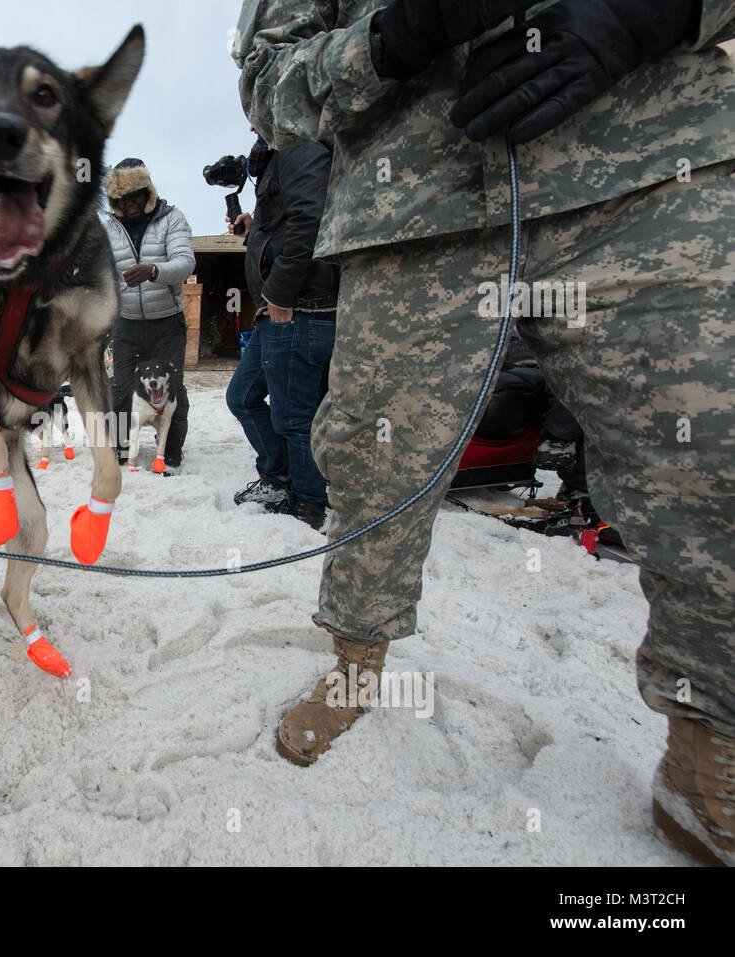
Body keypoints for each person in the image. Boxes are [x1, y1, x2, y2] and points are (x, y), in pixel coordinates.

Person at [235, 0, 735, 865]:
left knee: (711, 458)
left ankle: (711, 737)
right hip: (417, 205)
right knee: (371, 460)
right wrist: (395, 34)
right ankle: (357, 659)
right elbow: (271, 82)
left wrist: (650, 14)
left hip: (648, 167)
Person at [225, 134, 339, 530]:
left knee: (294, 416)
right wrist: (255, 227)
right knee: (242, 397)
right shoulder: (276, 156)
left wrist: (281, 289)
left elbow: (311, 220)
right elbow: (289, 220)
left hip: (299, 307)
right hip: (274, 312)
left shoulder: (299, 145)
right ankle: (278, 478)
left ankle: (311, 504)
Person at [102, 159, 196, 473]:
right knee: (121, 388)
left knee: (172, 388)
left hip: (167, 322)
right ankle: (120, 448)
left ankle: (170, 453)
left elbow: (185, 263)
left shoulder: (172, 219)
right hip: (126, 323)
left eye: (135, 196)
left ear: (148, 191)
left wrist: (153, 271)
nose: (129, 205)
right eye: (121, 199)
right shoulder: (107, 227)